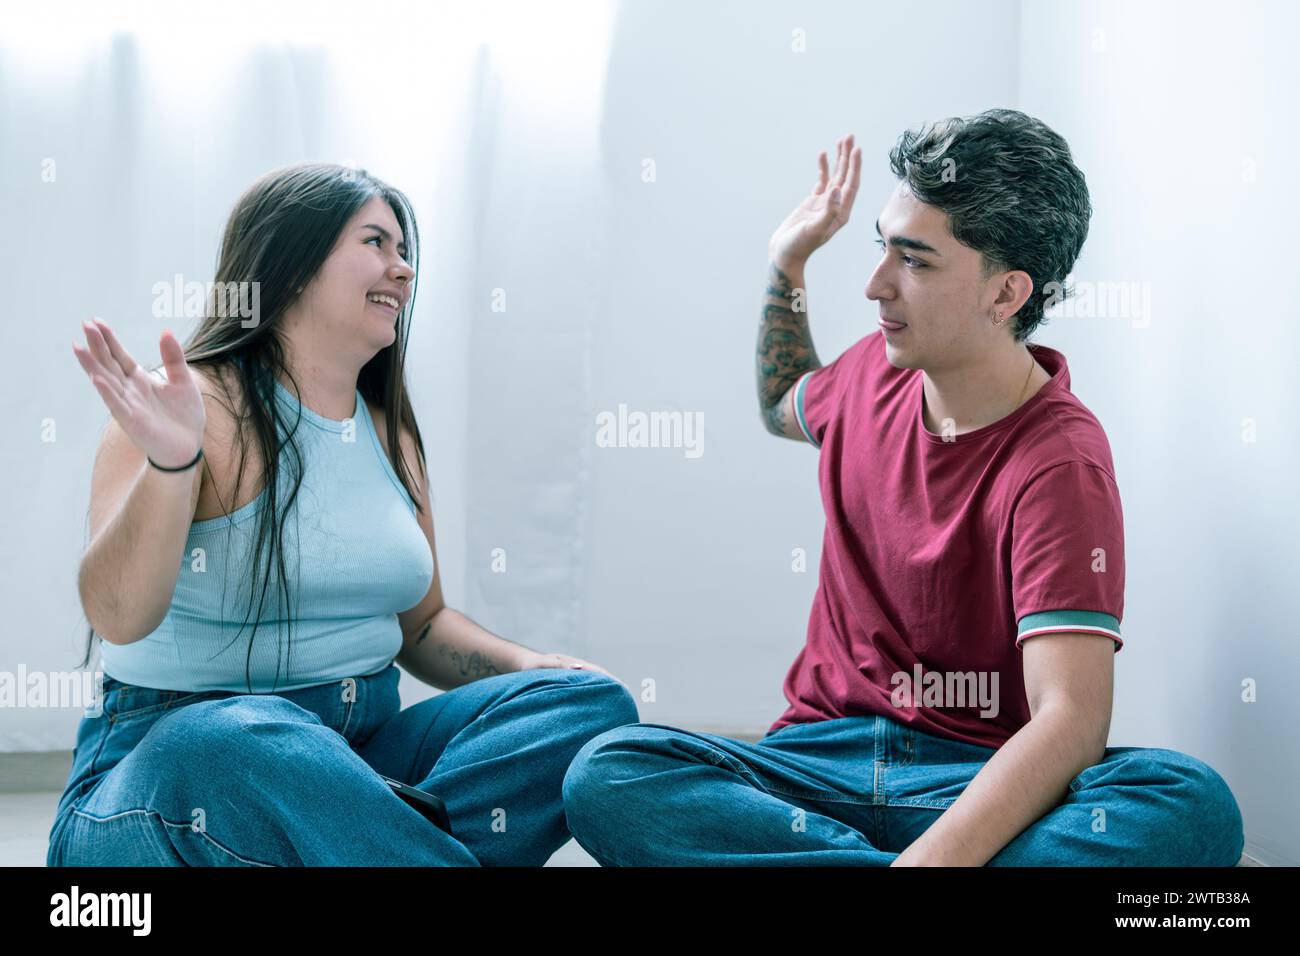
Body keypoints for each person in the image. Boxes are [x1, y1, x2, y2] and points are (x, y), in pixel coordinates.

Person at [562, 110, 1245, 867]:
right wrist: (786, 263)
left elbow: (1071, 721)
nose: (874, 284)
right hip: (817, 767)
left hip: (975, 781)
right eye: (881, 245)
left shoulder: (1060, 462)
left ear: (1006, 293)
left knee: (1187, 801)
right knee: (611, 769)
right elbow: (779, 400)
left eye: (914, 261)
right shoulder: (867, 374)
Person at [48, 162, 637, 866]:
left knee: (587, 705)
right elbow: (117, 616)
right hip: (176, 771)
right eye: (377, 244)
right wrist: (172, 465)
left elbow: (421, 625)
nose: (404, 270)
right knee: (235, 736)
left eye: (404, 250)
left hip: (359, 766)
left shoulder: (393, 436)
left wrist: (529, 665)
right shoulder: (186, 409)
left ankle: (365, 844)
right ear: (292, 267)